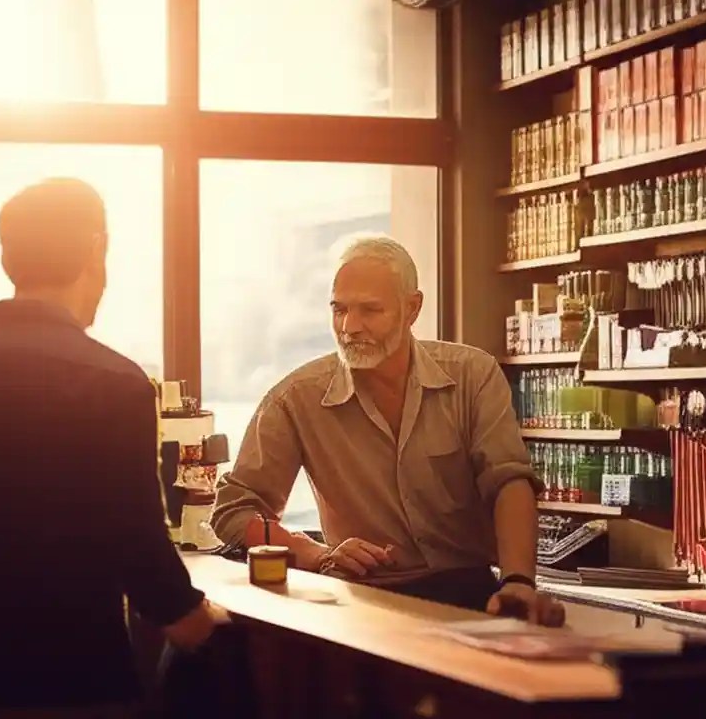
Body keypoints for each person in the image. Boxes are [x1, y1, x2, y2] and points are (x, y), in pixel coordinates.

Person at [0, 178, 222, 719]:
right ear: (96, 249)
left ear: (9, 257)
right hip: (85, 685)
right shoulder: (115, 382)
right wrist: (201, 622)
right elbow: (142, 553)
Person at [211, 234, 564, 626]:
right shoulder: (296, 398)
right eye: (339, 309)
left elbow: (509, 479)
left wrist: (518, 581)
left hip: (467, 592)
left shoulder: (472, 375)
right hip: (359, 600)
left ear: (412, 308)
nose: (350, 326)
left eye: (370, 310)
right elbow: (234, 509)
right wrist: (316, 554)